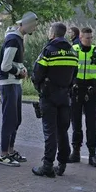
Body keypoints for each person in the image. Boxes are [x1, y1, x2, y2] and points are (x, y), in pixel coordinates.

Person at [31, 22, 78, 178]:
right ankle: (62, 163)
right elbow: (74, 75)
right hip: (65, 97)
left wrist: (40, 88)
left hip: (49, 96)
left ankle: (47, 166)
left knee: (50, 131)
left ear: (53, 33)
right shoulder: (72, 52)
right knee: (62, 131)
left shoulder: (48, 51)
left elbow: (37, 73)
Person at [0, 12, 39, 167]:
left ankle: (10, 151)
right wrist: (19, 72)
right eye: (33, 25)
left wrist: (22, 70)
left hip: (13, 82)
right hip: (9, 83)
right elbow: (5, 65)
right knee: (10, 119)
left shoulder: (17, 38)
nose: (34, 28)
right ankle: (4, 154)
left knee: (16, 119)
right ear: (26, 25)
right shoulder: (14, 40)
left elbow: (11, 62)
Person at [70, 27, 96, 168]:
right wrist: (70, 87)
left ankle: (92, 154)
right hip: (76, 90)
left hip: (91, 91)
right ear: (80, 38)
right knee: (76, 123)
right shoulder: (73, 50)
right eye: (87, 38)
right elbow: (67, 69)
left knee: (92, 125)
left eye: (91, 37)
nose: (90, 40)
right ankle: (76, 152)